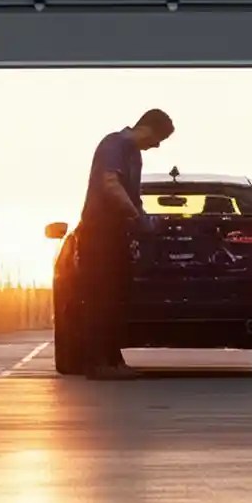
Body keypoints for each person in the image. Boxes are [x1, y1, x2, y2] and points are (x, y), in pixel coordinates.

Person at [77, 109, 175, 380]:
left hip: (117, 234)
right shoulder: (115, 145)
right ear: (147, 128)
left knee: (115, 299)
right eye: (158, 139)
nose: (156, 145)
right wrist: (135, 215)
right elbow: (110, 183)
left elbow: (133, 194)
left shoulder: (133, 154)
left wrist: (143, 219)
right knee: (101, 298)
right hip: (99, 233)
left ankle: (112, 360)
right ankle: (98, 363)